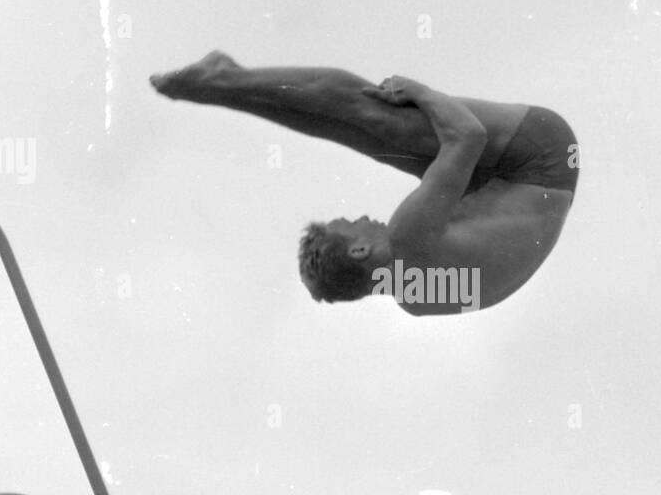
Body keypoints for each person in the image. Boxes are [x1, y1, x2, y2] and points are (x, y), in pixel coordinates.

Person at [149, 51, 578, 315]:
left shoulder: (413, 298)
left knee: (363, 134)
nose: (363, 217)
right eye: (352, 223)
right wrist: (420, 91)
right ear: (358, 249)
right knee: (381, 119)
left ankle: (223, 89)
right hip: (540, 157)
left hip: (506, 195)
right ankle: (224, 79)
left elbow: (482, 269)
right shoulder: (409, 239)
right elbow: (468, 135)